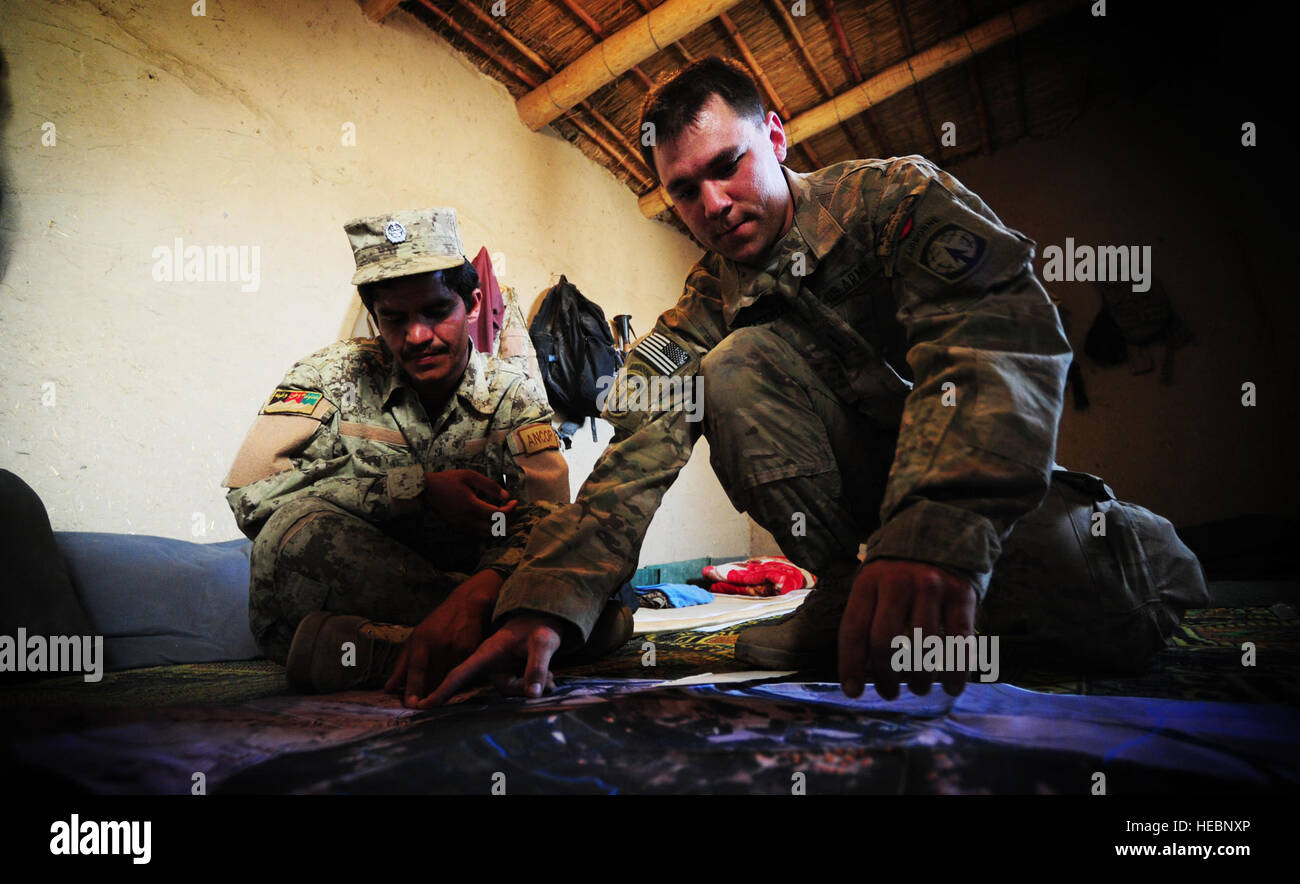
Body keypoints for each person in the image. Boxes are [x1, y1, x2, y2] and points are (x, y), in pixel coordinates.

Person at [423, 58, 1205, 706]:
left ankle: (1051, 561)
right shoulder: (698, 312)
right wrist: (545, 606)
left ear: (775, 136)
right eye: (684, 191)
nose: (712, 205)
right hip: (857, 546)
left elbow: (991, 334)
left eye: (727, 166)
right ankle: (855, 595)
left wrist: (933, 534)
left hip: (972, 503)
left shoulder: (894, 198)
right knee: (732, 365)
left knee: (1117, 609)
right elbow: (632, 459)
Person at [222, 207, 631, 705]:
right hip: (374, 579)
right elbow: (251, 497)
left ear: (472, 304)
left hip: (483, 584)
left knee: (592, 565)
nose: (417, 337)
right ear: (374, 317)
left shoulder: (512, 393)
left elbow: (547, 519)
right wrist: (410, 493)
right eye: (394, 319)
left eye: (436, 312)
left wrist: (479, 592)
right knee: (289, 536)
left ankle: (385, 652)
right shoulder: (328, 377)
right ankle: (497, 647)